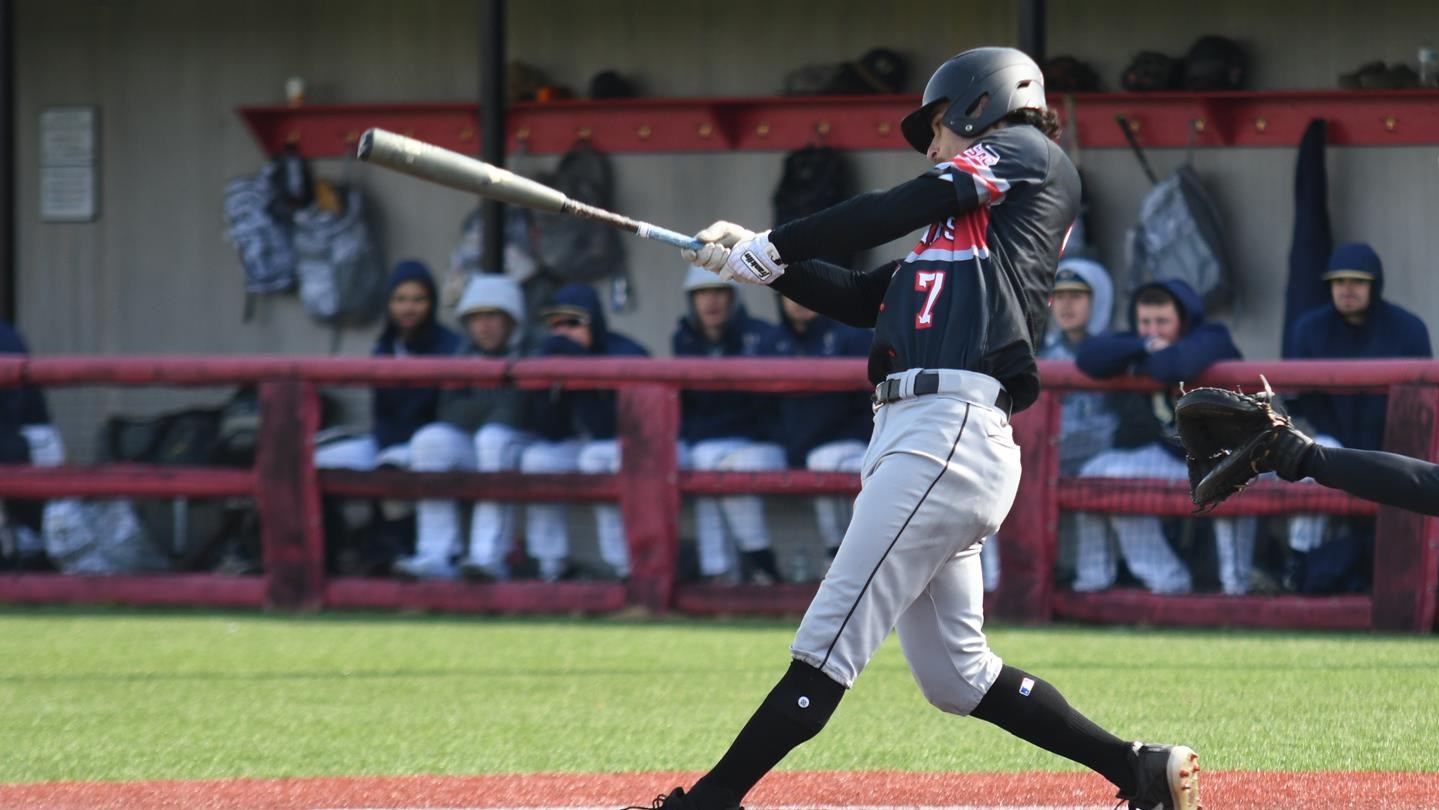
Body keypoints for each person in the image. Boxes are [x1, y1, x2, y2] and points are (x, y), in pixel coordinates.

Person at [629, 48, 1199, 810]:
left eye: (937, 129)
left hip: (945, 433)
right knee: (956, 676)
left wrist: (780, 242)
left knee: (825, 644)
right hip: (926, 437)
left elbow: (896, 203)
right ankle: (1137, 768)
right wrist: (751, 259)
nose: (932, 149)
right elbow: (862, 294)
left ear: (979, 105)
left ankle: (707, 801)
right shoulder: (958, 240)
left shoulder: (1028, 152)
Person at [1073, 280, 1246, 595]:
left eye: (1163, 322)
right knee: (1097, 475)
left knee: (1230, 512)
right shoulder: (1144, 342)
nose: (1153, 330)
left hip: (1236, 459)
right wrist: (1145, 346)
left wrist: (1143, 352)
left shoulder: (1213, 337)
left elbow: (1175, 365)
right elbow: (1087, 356)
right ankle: (1147, 580)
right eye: (1145, 322)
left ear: (1184, 320)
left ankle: (1239, 594)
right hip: (1172, 456)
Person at [393, 274, 528, 581]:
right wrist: (494, 405)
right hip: (476, 440)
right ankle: (436, 555)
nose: (484, 326)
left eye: (492, 316)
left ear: (511, 318)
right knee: (430, 439)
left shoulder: (532, 347)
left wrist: (482, 408)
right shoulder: (464, 352)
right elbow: (449, 412)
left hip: (525, 443)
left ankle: (489, 557)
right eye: (476, 317)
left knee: (493, 439)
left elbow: (518, 412)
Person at [673, 265, 790, 585]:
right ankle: (724, 571)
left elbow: (767, 408)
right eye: (701, 294)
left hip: (763, 444)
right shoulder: (684, 340)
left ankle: (744, 564)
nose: (710, 301)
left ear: (733, 297)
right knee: (691, 459)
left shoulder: (763, 336)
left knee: (714, 462)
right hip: (707, 446)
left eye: (718, 292)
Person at [527, 282, 650, 581]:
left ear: (593, 320)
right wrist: (548, 382)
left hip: (629, 446)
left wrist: (582, 368)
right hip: (578, 445)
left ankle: (627, 567)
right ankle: (551, 566)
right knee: (537, 460)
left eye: (573, 323)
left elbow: (613, 426)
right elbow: (547, 430)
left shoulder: (626, 351)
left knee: (597, 457)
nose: (563, 332)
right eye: (557, 324)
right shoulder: (553, 354)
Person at [1290, 242, 1432, 453]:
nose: (1347, 289)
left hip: (1395, 452)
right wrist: (1328, 442)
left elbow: (1421, 404)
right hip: (1328, 449)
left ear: (1374, 284)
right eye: (1339, 281)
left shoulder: (1409, 329)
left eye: (1357, 281)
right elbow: (1303, 402)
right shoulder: (1309, 329)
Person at [774, 293, 873, 570]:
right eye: (790, 293)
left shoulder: (853, 337)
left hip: (856, 444)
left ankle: (840, 554)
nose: (799, 300)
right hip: (794, 447)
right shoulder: (771, 340)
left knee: (828, 460)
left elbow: (869, 407)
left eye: (804, 291)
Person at [1039, 259, 1119, 586]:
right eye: (1059, 296)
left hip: (1102, 455)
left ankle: (1094, 581)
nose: (1066, 305)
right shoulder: (1042, 351)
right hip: (1051, 456)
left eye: (1076, 296)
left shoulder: (1114, 349)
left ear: (1097, 299)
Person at [0, 318, 66, 569]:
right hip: (15, 443)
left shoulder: (4, 337)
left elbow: (11, 417)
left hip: (29, 444)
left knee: (53, 540)